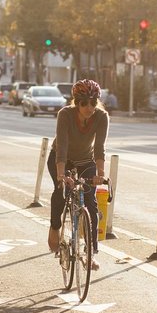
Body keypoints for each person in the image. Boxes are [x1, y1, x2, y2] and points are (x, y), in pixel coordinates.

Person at [47, 79, 109, 268]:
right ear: (76, 102)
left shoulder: (101, 117)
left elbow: (99, 148)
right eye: (84, 103)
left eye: (93, 102)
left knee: (91, 204)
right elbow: (63, 146)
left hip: (85, 160)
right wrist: (61, 175)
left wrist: (100, 173)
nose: (89, 107)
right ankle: (55, 227)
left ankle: (90, 254)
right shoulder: (65, 114)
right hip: (60, 158)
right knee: (61, 192)